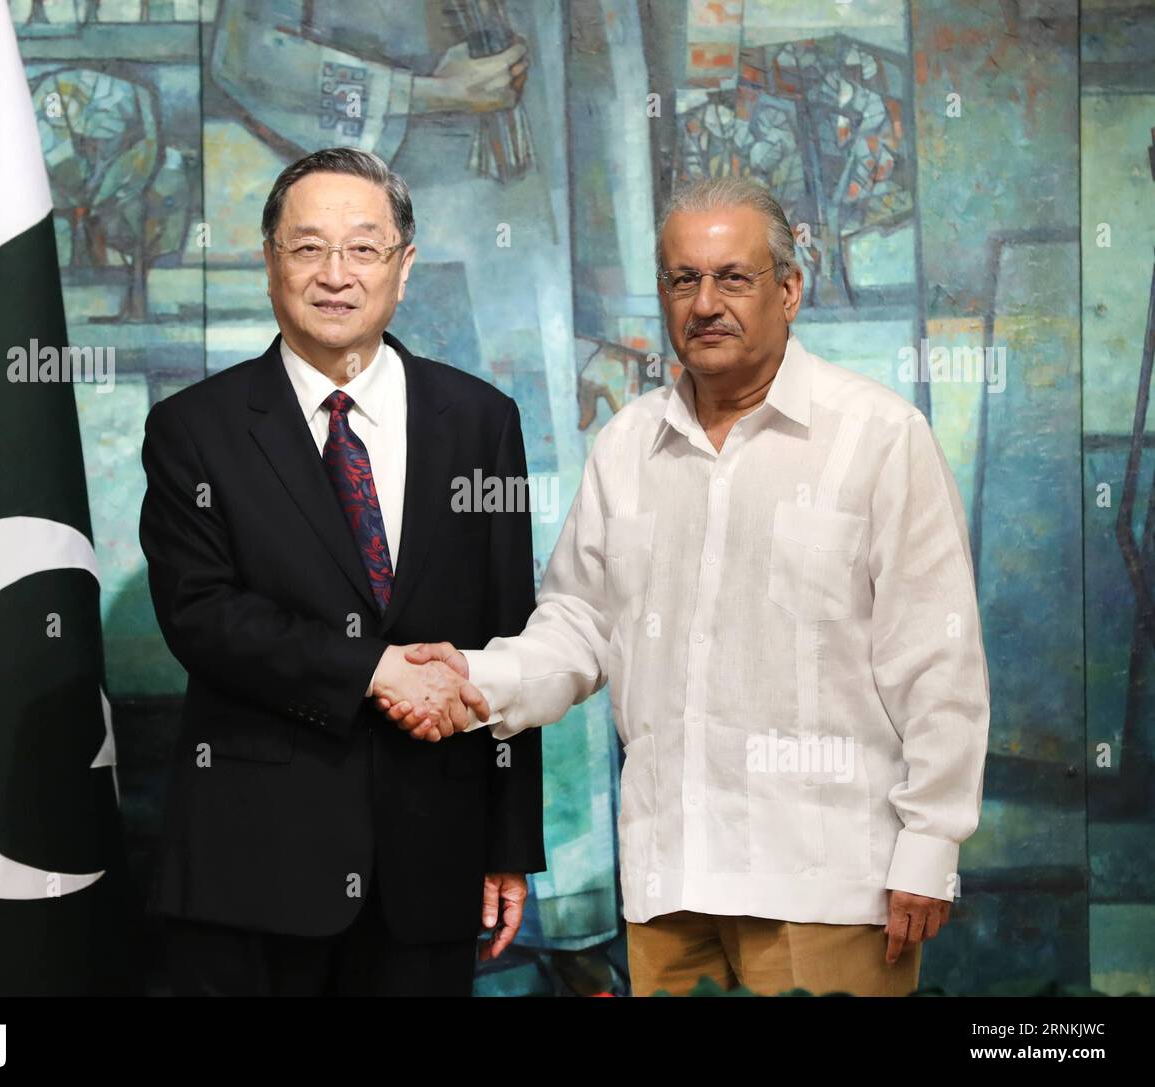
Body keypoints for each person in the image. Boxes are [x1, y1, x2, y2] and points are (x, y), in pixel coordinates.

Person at [379, 176, 991, 997]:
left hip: (828, 884)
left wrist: (931, 841)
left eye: (733, 277)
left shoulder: (879, 437)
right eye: (682, 280)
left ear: (789, 289)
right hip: (668, 886)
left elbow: (939, 659)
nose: (705, 302)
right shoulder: (628, 444)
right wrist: (474, 678)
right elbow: (577, 627)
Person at [139, 147, 544, 996]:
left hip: (429, 866)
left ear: (404, 267)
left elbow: (512, 634)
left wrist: (508, 843)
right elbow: (202, 616)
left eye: (363, 248)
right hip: (252, 872)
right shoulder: (194, 430)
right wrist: (375, 667)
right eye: (306, 247)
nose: (335, 274)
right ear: (268, 262)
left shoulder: (479, 421)